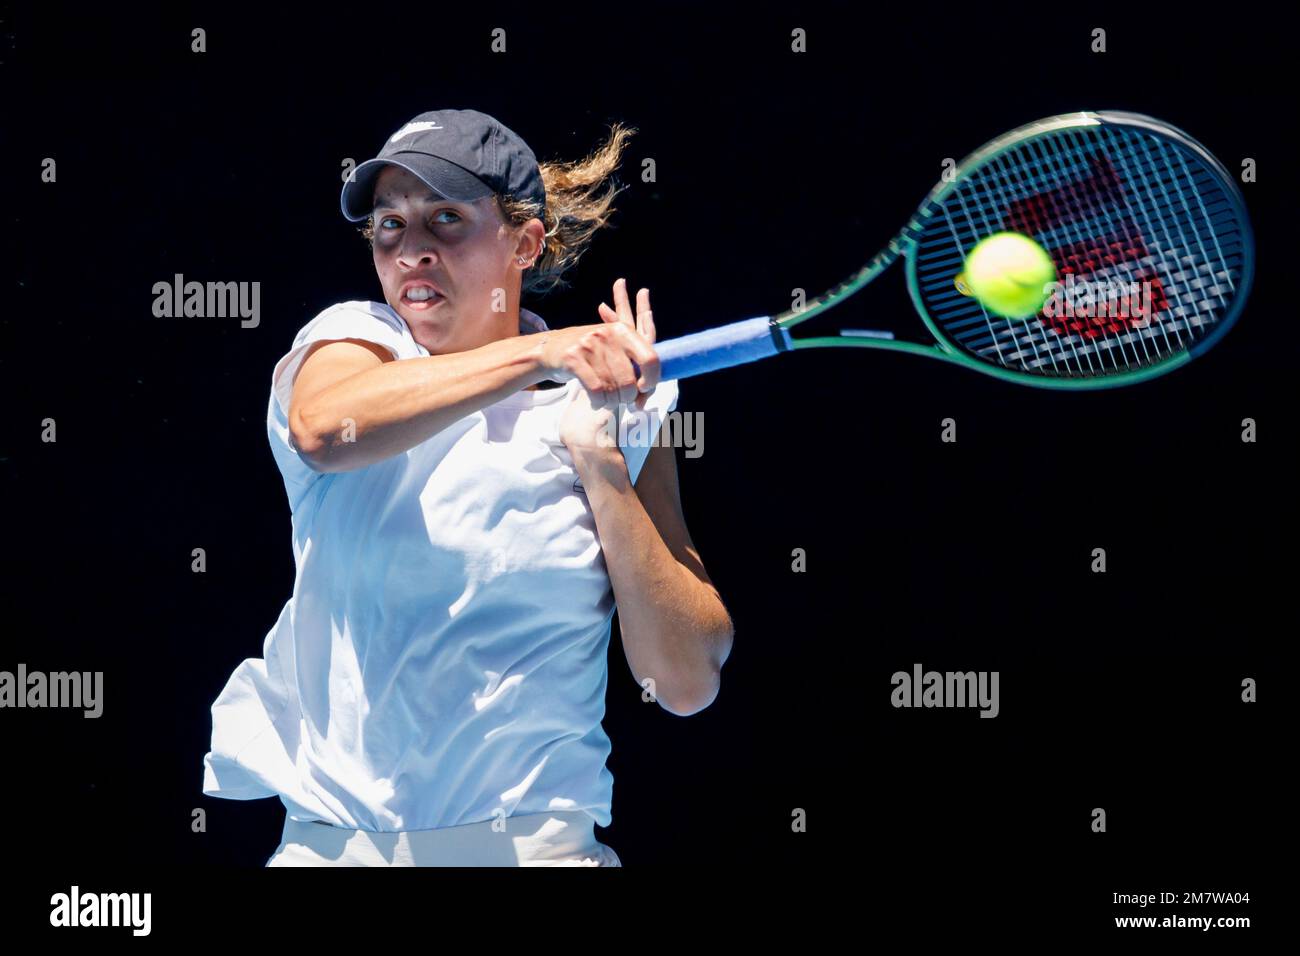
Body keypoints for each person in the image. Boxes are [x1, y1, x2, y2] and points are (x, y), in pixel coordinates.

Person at [201, 109, 734, 866]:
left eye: (445, 218)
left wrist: (604, 470)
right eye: (389, 225)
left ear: (524, 242)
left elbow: (683, 681)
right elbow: (324, 429)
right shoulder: (353, 342)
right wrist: (545, 352)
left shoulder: (608, 408)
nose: (411, 250)